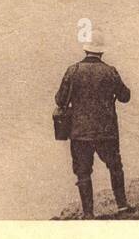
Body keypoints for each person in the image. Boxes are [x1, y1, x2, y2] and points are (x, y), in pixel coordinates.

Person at [53, 31, 133, 218]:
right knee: (115, 166)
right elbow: (125, 97)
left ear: (86, 50)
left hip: (80, 133)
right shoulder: (110, 71)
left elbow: (59, 100)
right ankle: (122, 206)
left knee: (83, 172)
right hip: (107, 131)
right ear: (101, 52)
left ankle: (89, 214)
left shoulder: (73, 71)